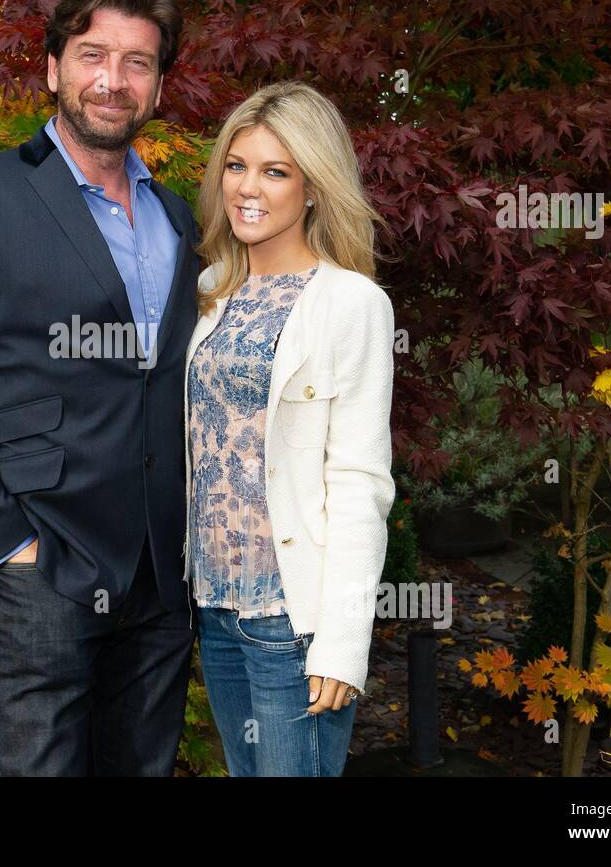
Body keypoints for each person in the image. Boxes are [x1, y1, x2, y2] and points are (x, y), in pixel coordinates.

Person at [0, 0, 199, 776]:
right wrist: (2, 542)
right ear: (53, 67)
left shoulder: (178, 214)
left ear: (159, 84)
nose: (113, 80)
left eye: (137, 62)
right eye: (94, 55)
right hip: (41, 565)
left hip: (162, 576)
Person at [184, 80, 396, 776]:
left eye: (276, 171)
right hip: (214, 605)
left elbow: (361, 481)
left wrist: (342, 642)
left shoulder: (351, 303)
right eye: (237, 165)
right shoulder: (214, 290)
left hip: (290, 618)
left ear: (312, 187)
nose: (249, 186)